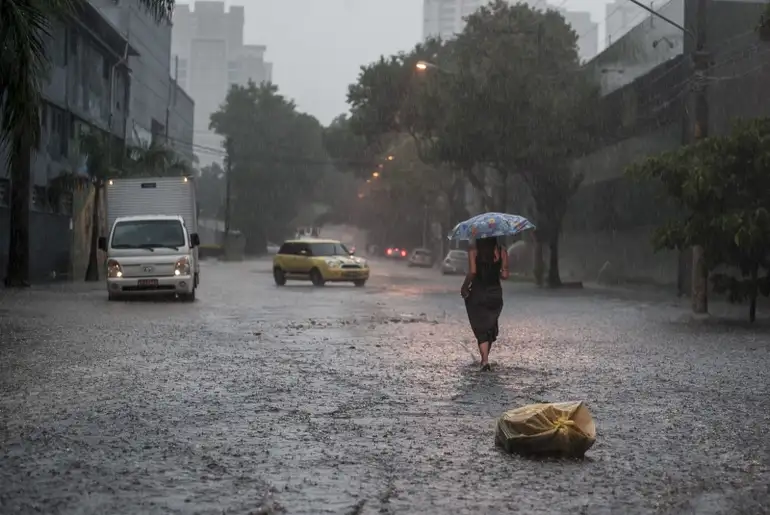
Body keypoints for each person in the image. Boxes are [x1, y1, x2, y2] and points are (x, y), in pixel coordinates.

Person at [460, 236, 509, 371]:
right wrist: (497, 270)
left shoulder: (473, 251)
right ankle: (485, 358)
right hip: (495, 293)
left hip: (478, 293)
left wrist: (464, 287)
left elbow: (472, 272)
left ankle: (485, 361)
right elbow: (505, 275)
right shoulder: (502, 251)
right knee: (490, 325)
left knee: (481, 327)